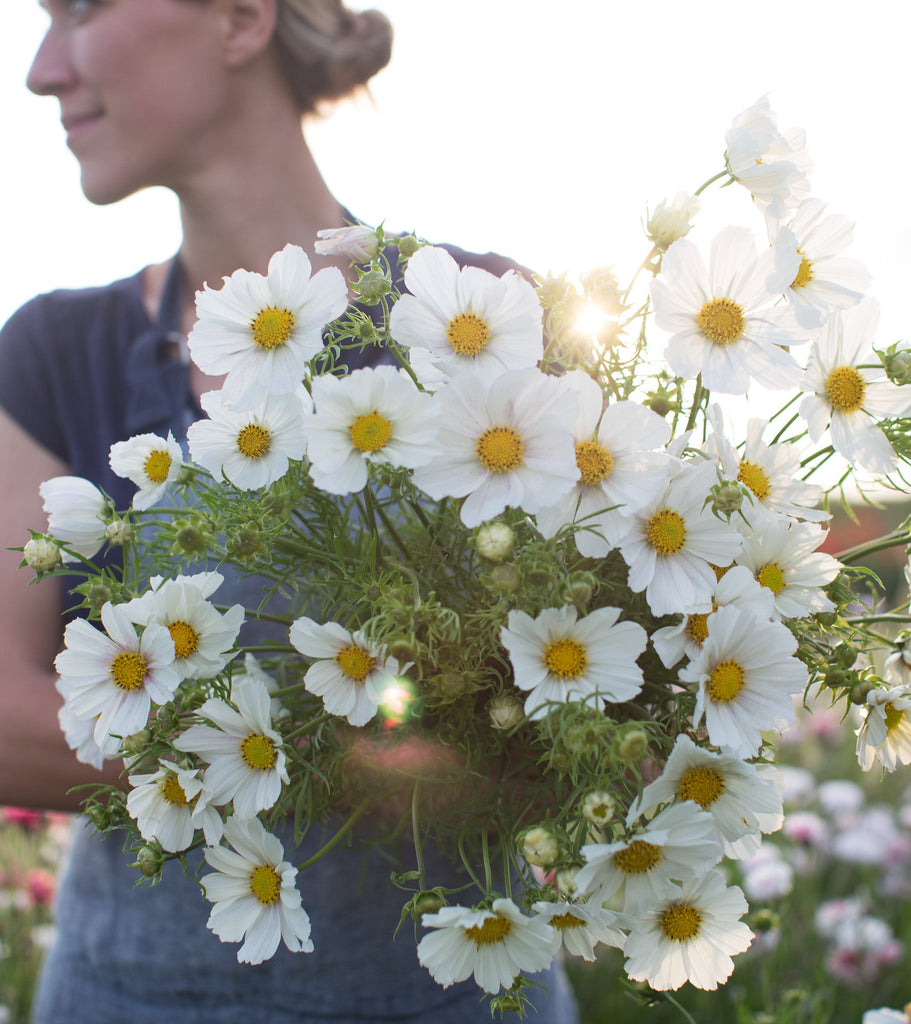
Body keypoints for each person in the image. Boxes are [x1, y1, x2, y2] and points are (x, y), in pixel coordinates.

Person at [0, 1, 579, 1020]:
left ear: (238, 17)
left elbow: (606, 703)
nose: (42, 71)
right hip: (132, 994)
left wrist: (244, 746)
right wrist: (301, 747)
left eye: (80, 9)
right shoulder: (53, 349)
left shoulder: (479, 314)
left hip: (460, 992)